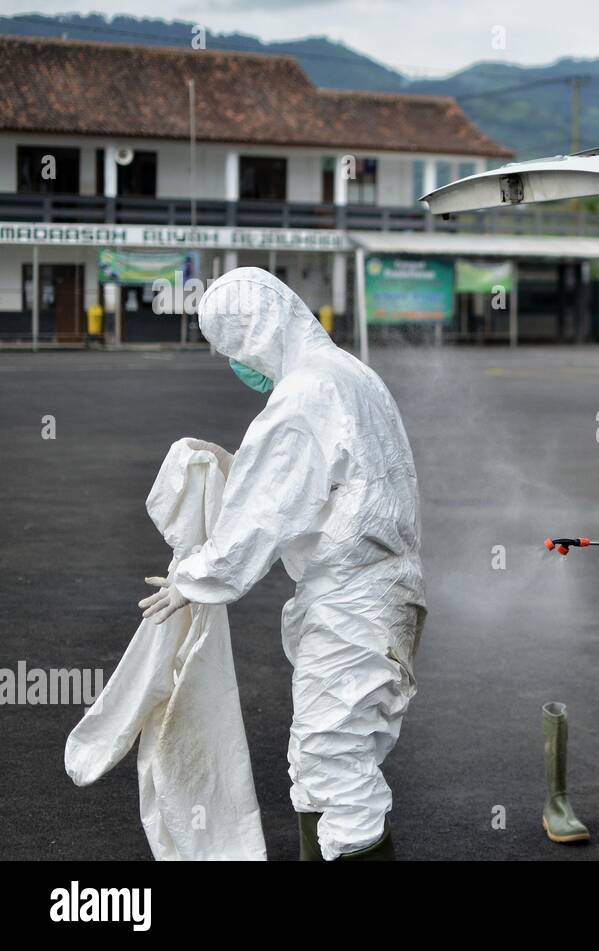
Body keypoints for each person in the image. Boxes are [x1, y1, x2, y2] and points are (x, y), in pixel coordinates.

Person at [138, 267, 427, 861]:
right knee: (322, 761)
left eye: (232, 347)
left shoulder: (304, 392)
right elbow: (320, 475)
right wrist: (236, 463)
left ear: (256, 328)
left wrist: (193, 578)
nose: (236, 363)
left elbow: (263, 516)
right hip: (378, 594)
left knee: (336, 768)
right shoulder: (351, 374)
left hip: (353, 601)